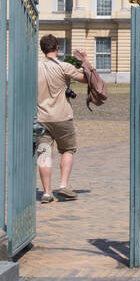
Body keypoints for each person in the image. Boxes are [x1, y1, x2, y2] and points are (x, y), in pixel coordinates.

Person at [37, 35, 88, 203]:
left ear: (42, 49)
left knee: (44, 152)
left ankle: (46, 192)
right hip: (62, 117)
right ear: (57, 48)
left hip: (41, 117)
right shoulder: (63, 66)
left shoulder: (34, 67)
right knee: (68, 150)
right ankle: (63, 185)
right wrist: (84, 60)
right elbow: (86, 79)